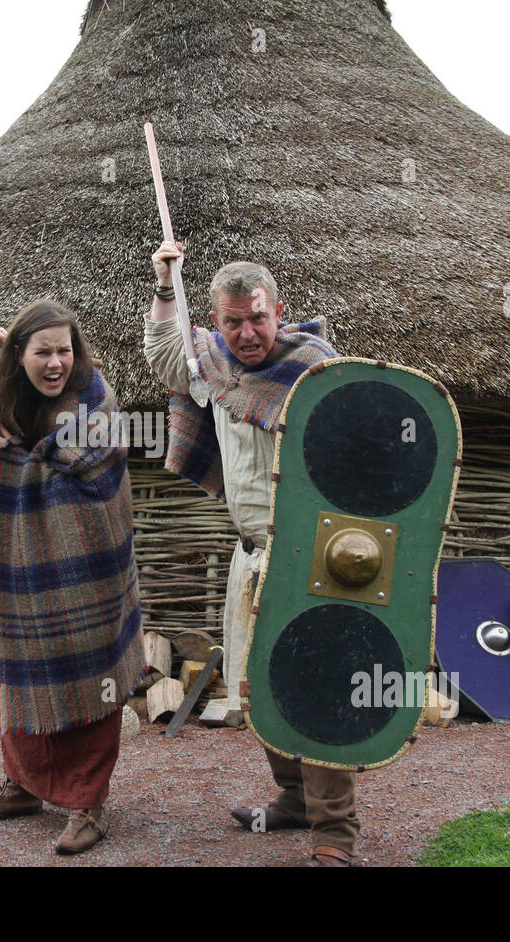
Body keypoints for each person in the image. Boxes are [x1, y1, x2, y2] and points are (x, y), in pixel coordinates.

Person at [142, 241, 361, 867]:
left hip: (314, 557)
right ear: (215, 321)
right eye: (232, 321)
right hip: (251, 558)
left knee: (316, 694)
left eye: (257, 318)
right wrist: (165, 282)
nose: (246, 332)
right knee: (260, 690)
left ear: (279, 312)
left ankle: (334, 837)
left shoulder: (316, 370)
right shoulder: (215, 367)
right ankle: (294, 802)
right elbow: (164, 356)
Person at [0, 299, 147, 855]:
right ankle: (22, 786)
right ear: (19, 355)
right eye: (41, 351)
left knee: (91, 683)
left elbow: (90, 480)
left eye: (63, 350)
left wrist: (16, 459)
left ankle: (87, 804)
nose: (55, 363)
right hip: (18, 573)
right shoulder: (3, 397)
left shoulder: (95, 400)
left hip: (86, 574)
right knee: (12, 680)